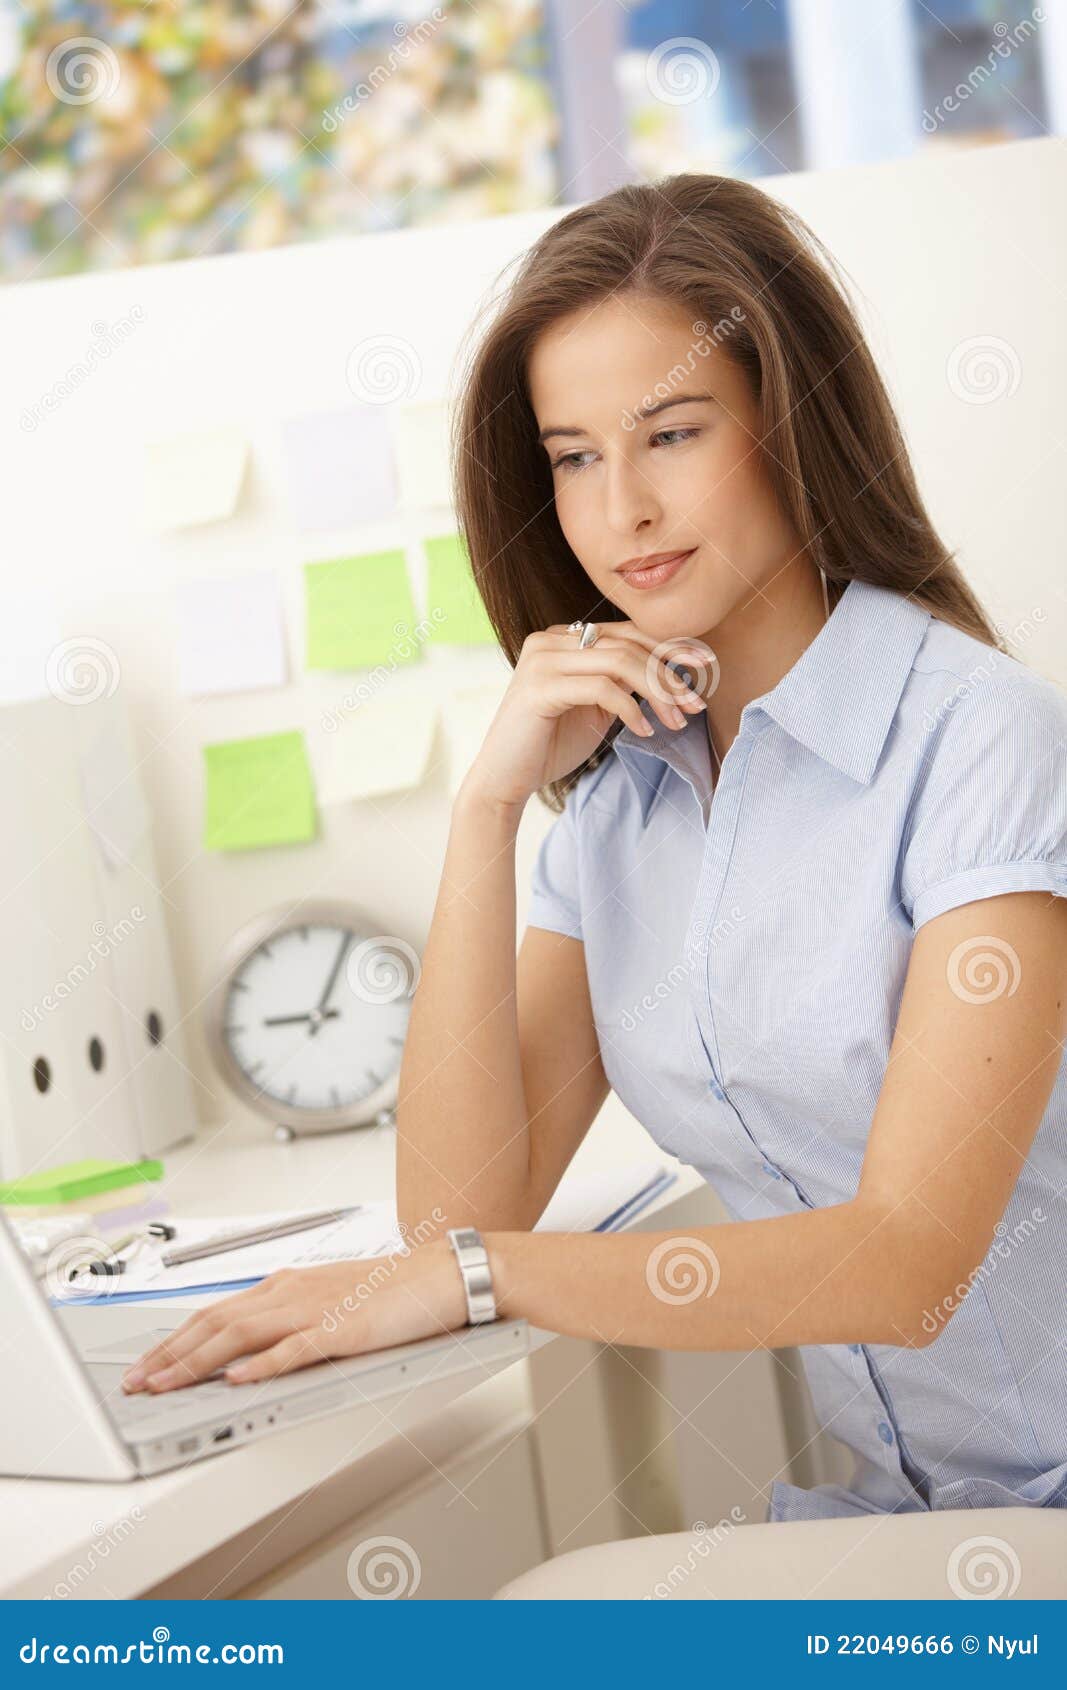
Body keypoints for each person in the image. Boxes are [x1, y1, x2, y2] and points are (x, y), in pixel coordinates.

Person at [123, 174, 1067, 1526]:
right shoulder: (622, 791)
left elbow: (908, 1261)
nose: (620, 508)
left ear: (790, 427)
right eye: (572, 456)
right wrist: (487, 810)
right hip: (913, 1521)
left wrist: (484, 1278)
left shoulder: (986, 744)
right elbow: (455, 1210)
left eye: (670, 433)